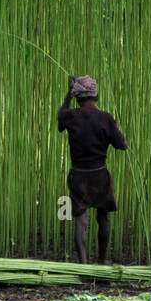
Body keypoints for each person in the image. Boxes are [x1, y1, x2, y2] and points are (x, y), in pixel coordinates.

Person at [58, 75, 127, 264]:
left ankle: (83, 264)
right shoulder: (105, 118)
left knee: (80, 220)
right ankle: (102, 260)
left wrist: (68, 94)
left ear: (78, 97)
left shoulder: (71, 116)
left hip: (79, 175)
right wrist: (123, 138)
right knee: (103, 217)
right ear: (95, 96)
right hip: (100, 175)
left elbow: (60, 117)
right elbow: (122, 145)